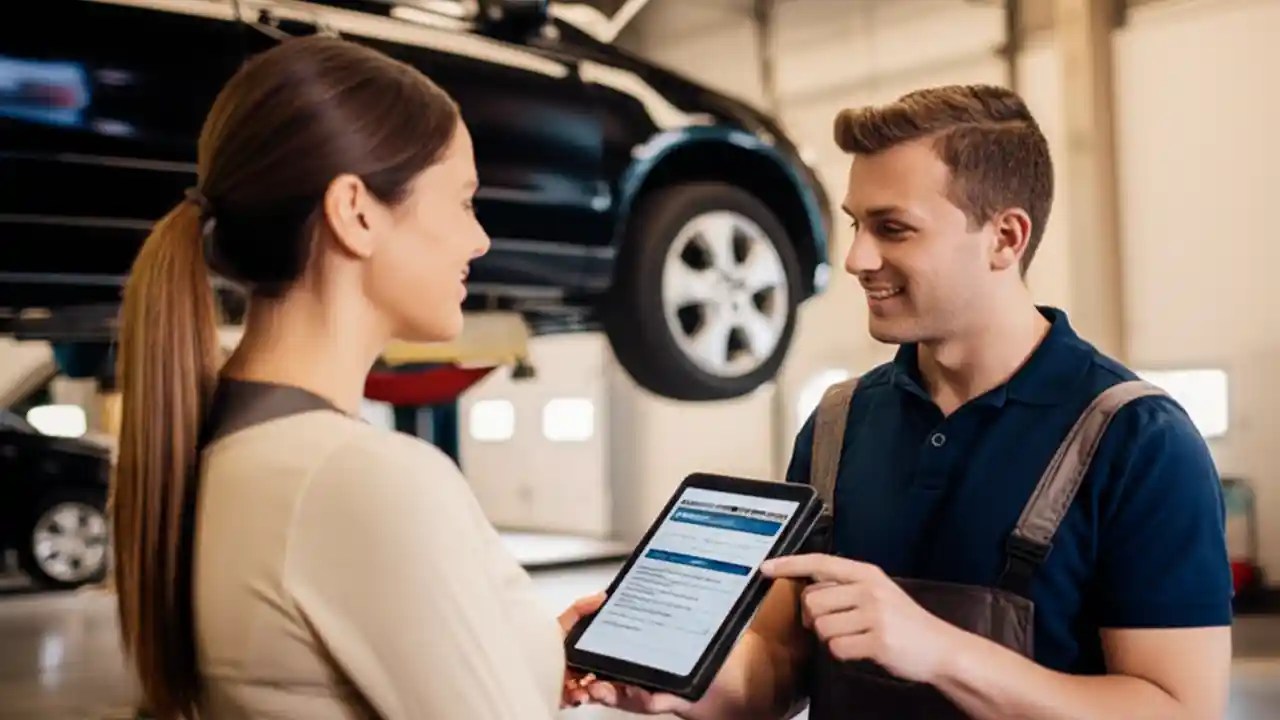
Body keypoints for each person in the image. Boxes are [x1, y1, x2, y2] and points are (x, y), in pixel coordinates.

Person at [578, 84, 1234, 718]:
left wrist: (939, 651)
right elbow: (779, 667)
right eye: (857, 224)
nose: (859, 257)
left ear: (1005, 238)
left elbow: (1179, 709)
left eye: (893, 228)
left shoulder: (1138, 440)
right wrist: (676, 683)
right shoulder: (839, 423)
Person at [110, 35, 603, 720]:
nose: (480, 240)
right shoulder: (362, 479)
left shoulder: (221, 451)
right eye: (463, 201)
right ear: (357, 212)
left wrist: (524, 653)